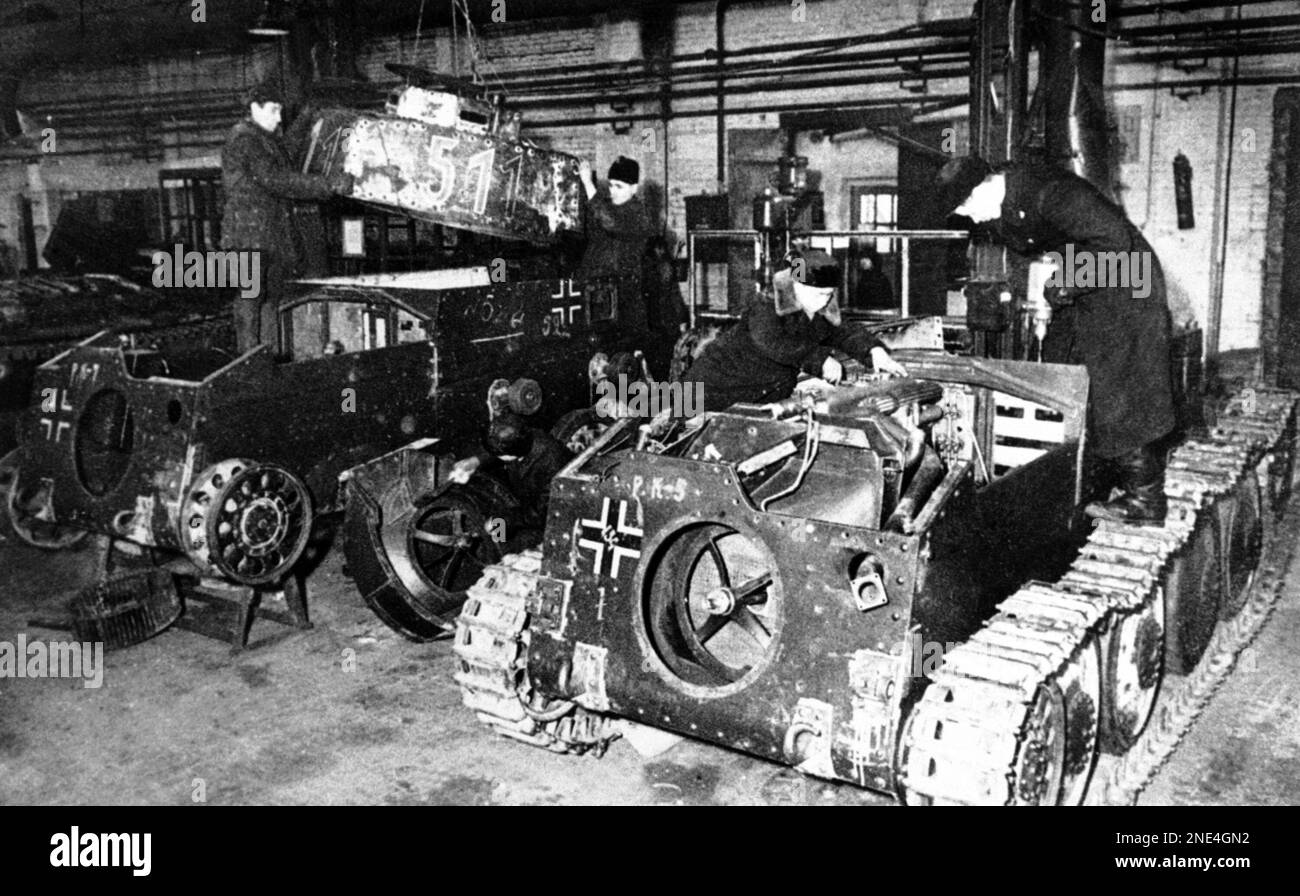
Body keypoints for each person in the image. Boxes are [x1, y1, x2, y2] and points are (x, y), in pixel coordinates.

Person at [935, 155, 1176, 525]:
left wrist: (1064, 284)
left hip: (1128, 280)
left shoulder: (1051, 193)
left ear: (986, 184)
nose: (968, 216)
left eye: (966, 205)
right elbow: (1030, 253)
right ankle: (1083, 470)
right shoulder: (1005, 206)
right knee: (1063, 368)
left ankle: (1146, 500)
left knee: (1119, 380)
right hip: (1088, 280)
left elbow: (1117, 242)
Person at [680, 249, 908, 412]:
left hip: (759, 395)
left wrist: (874, 351)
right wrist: (819, 360)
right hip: (714, 389)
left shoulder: (818, 305)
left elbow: (844, 331)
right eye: (819, 294)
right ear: (796, 286)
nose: (824, 302)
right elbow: (772, 342)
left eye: (829, 295)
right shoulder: (765, 305)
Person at [221, 82, 345, 353]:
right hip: (248, 237)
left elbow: (285, 152)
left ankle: (267, 356)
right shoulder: (244, 138)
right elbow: (273, 178)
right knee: (252, 299)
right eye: (274, 110)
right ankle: (250, 361)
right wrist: (327, 186)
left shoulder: (263, 138)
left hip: (268, 235)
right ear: (255, 108)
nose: (279, 117)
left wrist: (306, 118)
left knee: (269, 298)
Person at [448, 412, 573, 531]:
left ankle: (504, 545)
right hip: (521, 502)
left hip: (542, 519)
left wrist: (504, 520)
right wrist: (475, 461)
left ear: (512, 455)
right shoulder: (522, 435)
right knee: (495, 529)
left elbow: (543, 513)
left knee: (498, 534)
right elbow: (500, 447)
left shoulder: (554, 462)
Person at [575, 155, 652, 329]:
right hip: (596, 290)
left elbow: (611, 223)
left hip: (623, 295)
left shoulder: (638, 213)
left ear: (634, 188)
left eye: (619, 186)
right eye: (610, 185)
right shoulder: (607, 207)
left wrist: (588, 183)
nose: (612, 191)